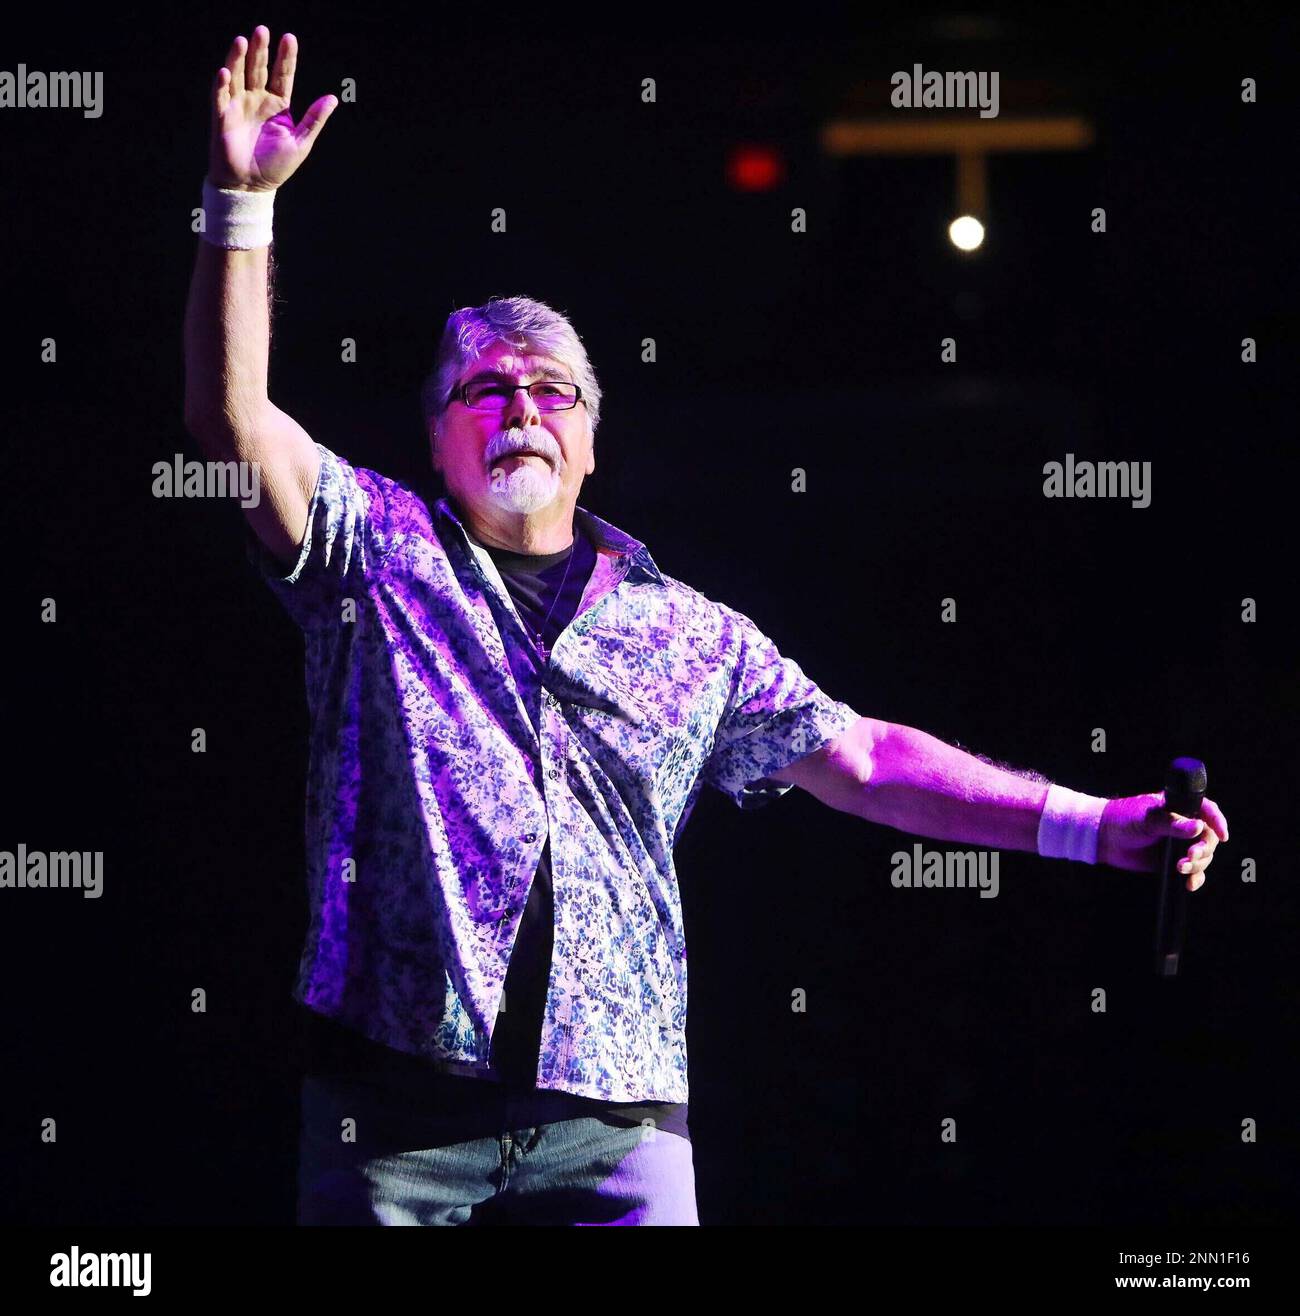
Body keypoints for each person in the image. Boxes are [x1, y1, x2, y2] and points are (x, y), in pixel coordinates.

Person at [182, 28, 1229, 1227]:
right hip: (394, 1118)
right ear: (436, 438)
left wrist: (1098, 829)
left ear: (590, 436)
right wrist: (237, 205)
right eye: (486, 387)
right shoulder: (376, 550)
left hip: (619, 1129)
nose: (522, 404)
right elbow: (232, 421)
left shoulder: (685, 632)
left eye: (552, 390)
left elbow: (869, 761)